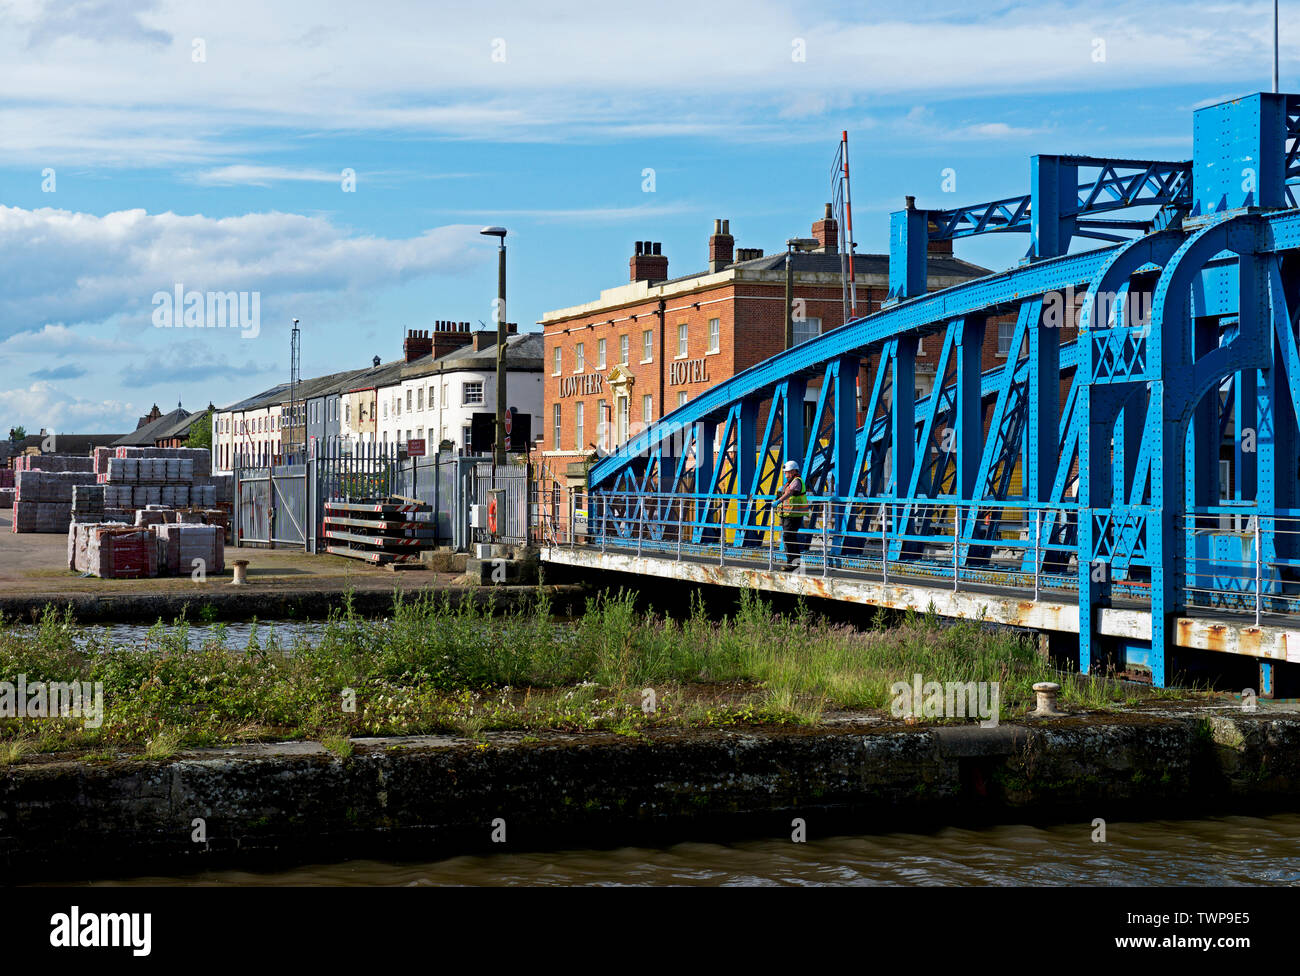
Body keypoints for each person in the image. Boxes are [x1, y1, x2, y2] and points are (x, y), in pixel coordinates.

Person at [775, 459, 810, 570]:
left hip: (794, 515)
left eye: (788, 472)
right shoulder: (789, 482)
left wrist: (778, 501)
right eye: (785, 473)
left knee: (788, 537)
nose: (786, 475)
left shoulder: (797, 481)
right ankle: (795, 562)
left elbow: (790, 493)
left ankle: (792, 563)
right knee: (790, 537)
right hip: (788, 514)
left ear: (794, 471)